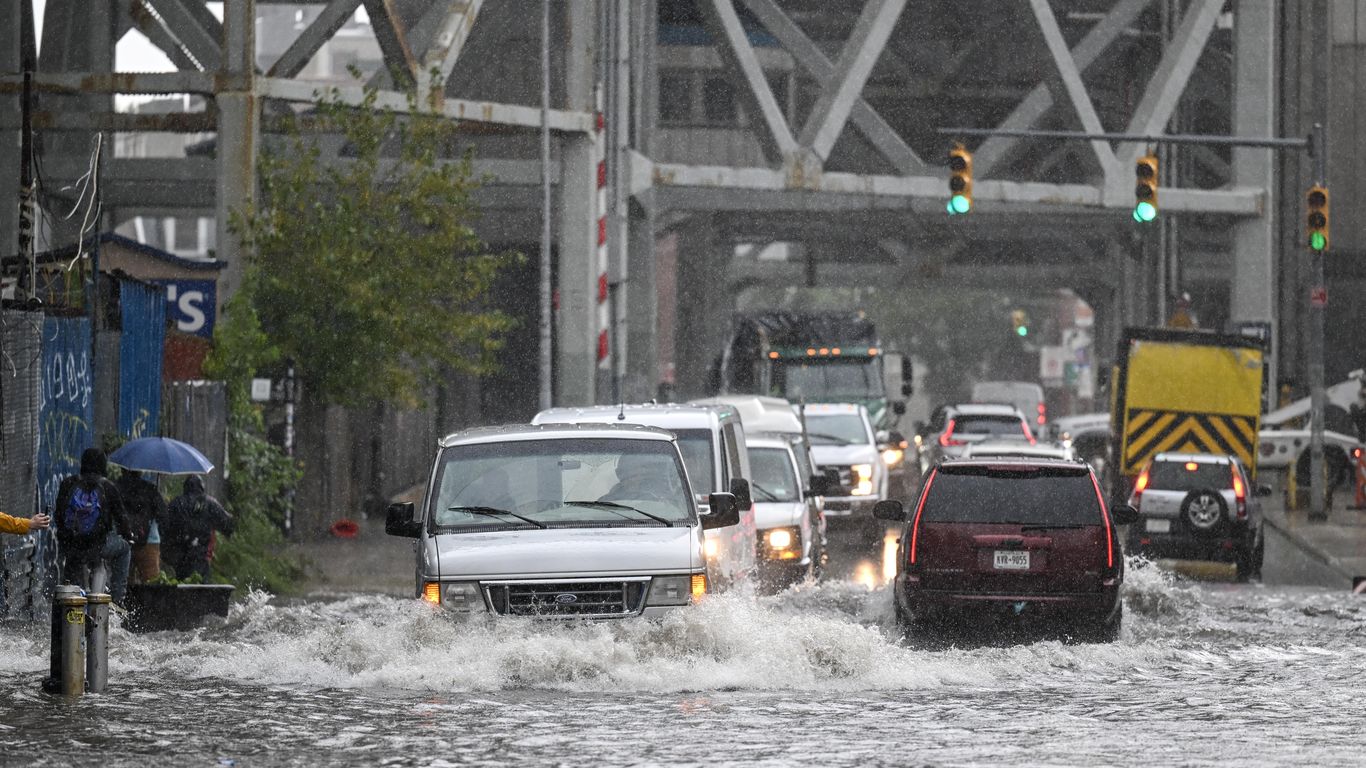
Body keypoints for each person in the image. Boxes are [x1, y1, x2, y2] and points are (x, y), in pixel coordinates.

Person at [54, 448, 133, 604]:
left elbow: (59, 516)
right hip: (98, 545)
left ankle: (67, 602)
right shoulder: (108, 487)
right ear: (103, 465)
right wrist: (128, 535)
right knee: (124, 549)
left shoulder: (68, 484)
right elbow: (121, 518)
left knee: (71, 569)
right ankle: (118, 600)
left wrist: (70, 537)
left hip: (72, 546)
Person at [163, 475, 234, 581]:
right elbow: (227, 525)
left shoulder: (176, 503)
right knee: (200, 584)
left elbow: (164, 525)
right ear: (202, 487)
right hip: (202, 554)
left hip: (180, 555)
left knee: (182, 583)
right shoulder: (210, 503)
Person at [115, 469, 167, 583]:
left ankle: (127, 601)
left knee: (124, 583)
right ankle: (148, 601)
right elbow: (162, 515)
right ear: (140, 472)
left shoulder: (116, 488)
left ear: (123, 470)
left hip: (122, 541)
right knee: (151, 583)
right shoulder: (150, 489)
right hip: (149, 542)